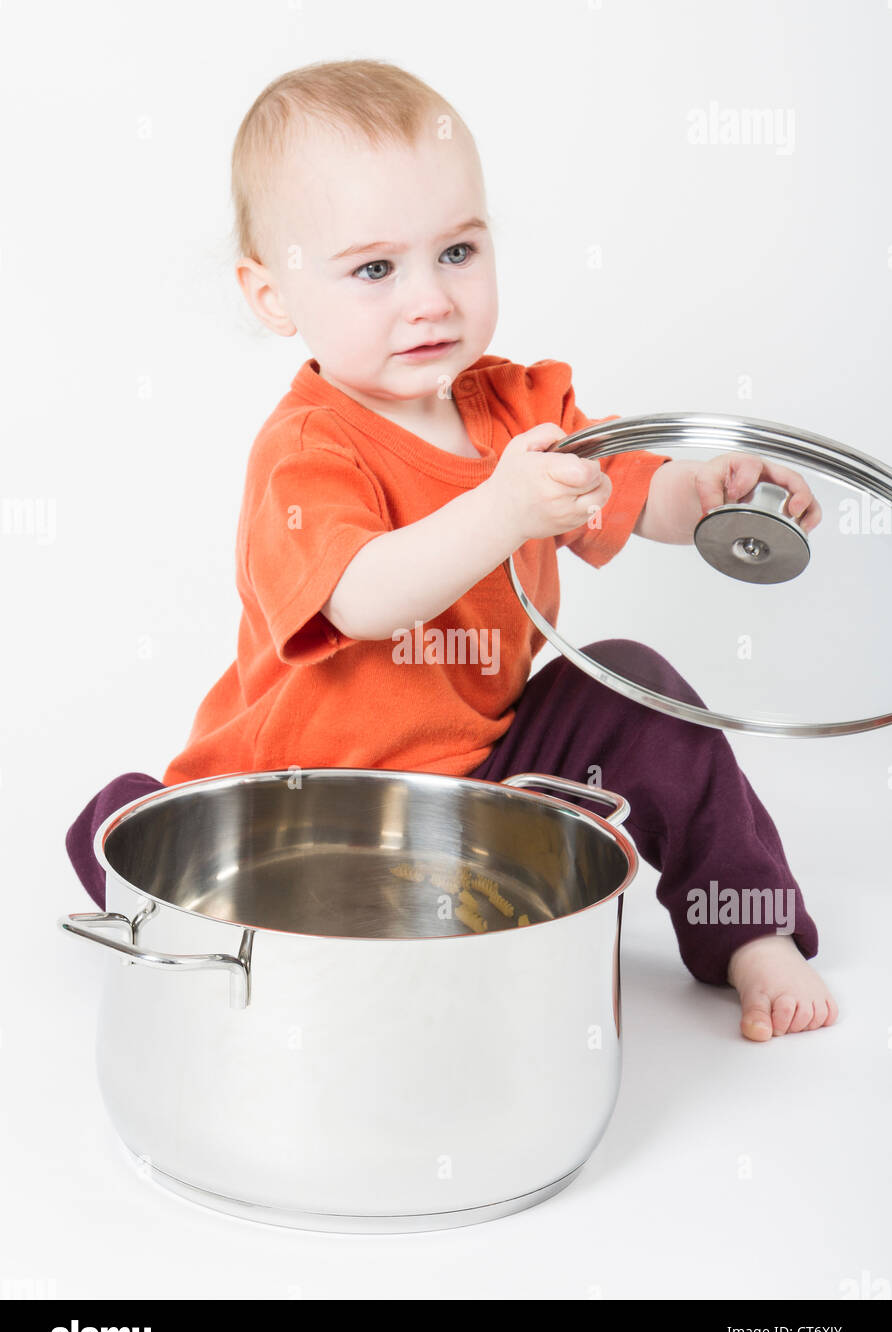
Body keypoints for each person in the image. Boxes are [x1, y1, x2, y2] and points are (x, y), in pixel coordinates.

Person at [66, 59, 838, 1043]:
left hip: (486, 777)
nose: (430, 300)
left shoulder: (516, 404)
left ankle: (748, 932)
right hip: (306, 798)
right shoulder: (309, 449)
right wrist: (506, 507)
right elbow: (360, 598)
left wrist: (710, 493)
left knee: (640, 689)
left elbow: (633, 491)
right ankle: (143, 860)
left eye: (459, 251)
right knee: (147, 827)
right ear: (272, 295)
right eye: (375, 269)